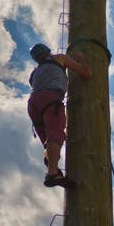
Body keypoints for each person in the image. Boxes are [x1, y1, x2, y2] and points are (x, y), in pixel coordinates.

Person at [27, 42, 91, 188]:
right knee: (55, 136)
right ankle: (52, 174)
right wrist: (81, 59)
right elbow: (86, 74)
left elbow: (36, 84)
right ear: (48, 51)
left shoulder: (34, 73)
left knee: (48, 140)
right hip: (51, 98)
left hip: (33, 103)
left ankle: (53, 168)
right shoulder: (60, 58)